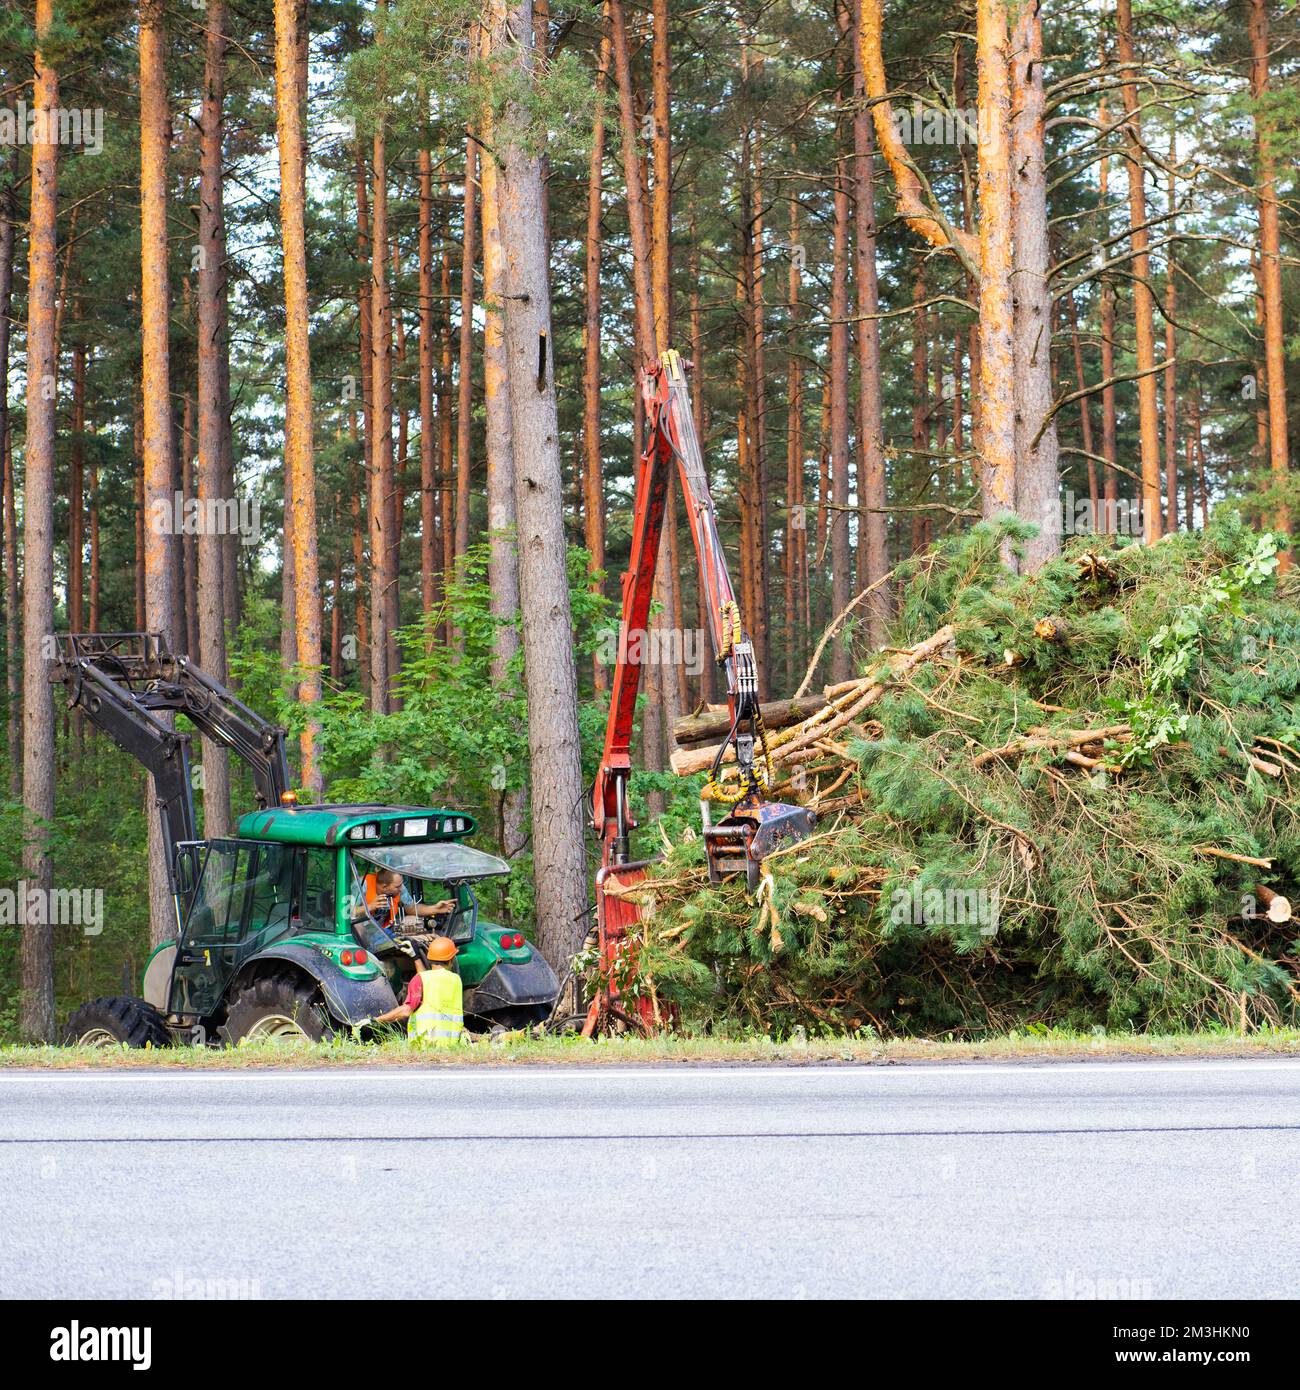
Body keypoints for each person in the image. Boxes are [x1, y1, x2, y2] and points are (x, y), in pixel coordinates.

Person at [370, 935, 463, 1046]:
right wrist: (416, 957)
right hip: (451, 1046)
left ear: (430, 958)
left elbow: (406, 1011)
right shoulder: (456, 980)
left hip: (425, 1045)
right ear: (451, 960)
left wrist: (377, 1020)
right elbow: (428, 982)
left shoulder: (421, 979)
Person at [352, 867, 455, 953]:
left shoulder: (398, 887)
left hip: (386, 931)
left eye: (401, 884)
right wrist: (370, 907)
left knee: (413, 921)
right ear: (384, 887)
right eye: (398, 886)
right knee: (358, 926)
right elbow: (345, 913)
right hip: (363, 936)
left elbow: (411, 908)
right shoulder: (362, 885)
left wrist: (435, 909)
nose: (401, 889)